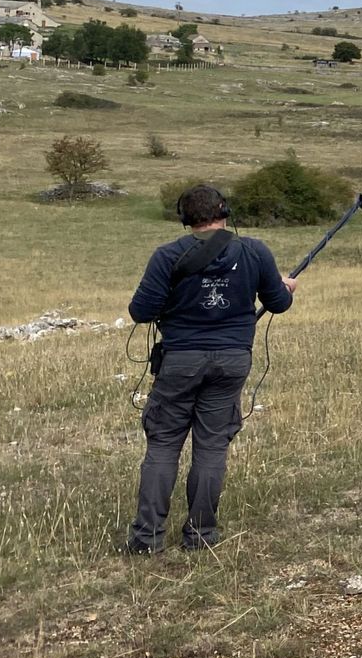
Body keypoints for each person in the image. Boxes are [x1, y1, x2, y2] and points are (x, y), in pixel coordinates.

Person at [124, 184, 296, 553]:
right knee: (212, 446)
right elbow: (279, 303)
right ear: (224, 212)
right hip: (232, 360)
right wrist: (285, 287)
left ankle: (146, 539)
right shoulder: (254, 251)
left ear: (184, 217)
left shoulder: (167, 255)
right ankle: (201, 535)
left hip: (180, 360)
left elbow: (141, 311)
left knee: (164, 444)